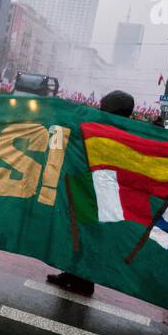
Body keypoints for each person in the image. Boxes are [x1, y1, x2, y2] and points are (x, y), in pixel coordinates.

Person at [45, 89, 136, 296]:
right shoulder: (128, 131)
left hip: (97, 191)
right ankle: (75, 274)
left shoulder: (107, 129)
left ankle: (83, 279)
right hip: (94, 189)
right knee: (82, 234)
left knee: (86, 234)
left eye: (104, 106)